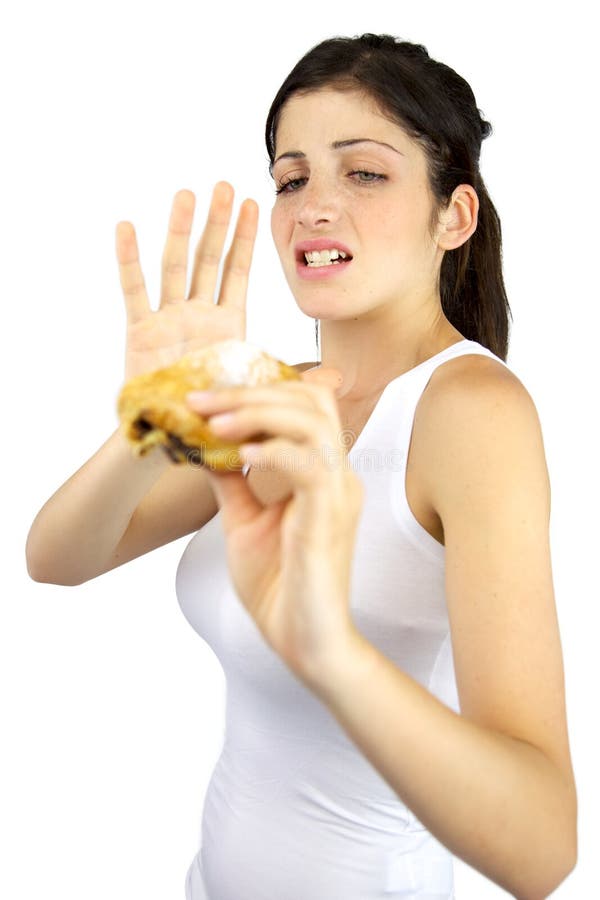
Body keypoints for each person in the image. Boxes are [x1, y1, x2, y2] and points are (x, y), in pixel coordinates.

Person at [26, 33, 577, 900]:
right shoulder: (276, 397)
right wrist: (151, 422)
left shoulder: (472, 412)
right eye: (292, 179)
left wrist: (332, 652)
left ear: (454, 215)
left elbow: (545, 849)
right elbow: (57, 559)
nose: (314, 206)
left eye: (364, 172)